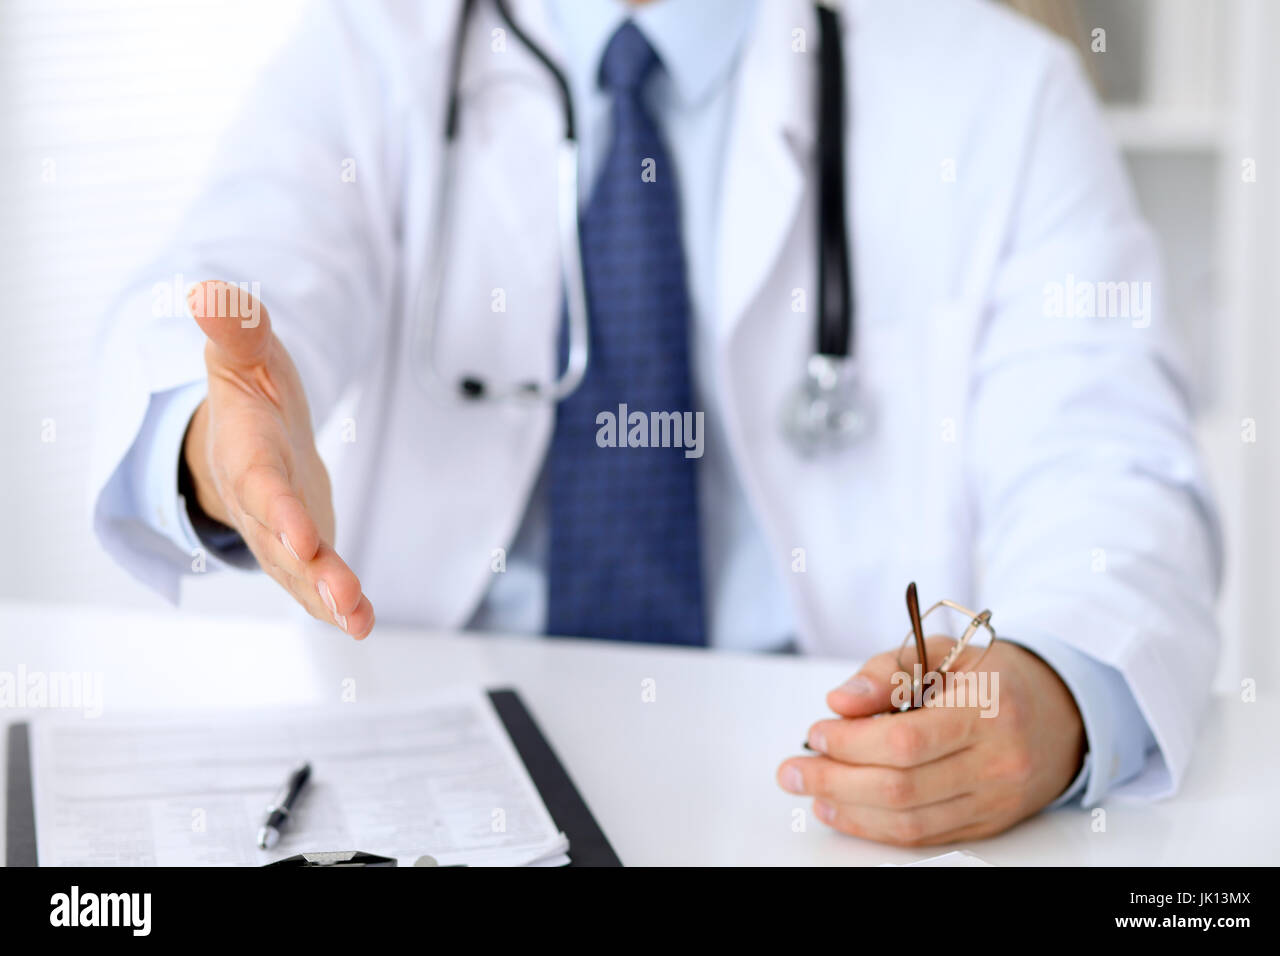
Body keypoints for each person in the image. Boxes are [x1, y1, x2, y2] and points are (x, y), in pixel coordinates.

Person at [90, 0, 1221, 846]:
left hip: (829, 779)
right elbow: (229, 283)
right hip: (439, 774)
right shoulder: (375, 49)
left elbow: (1111, 465)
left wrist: (1057, 684)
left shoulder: (998, 91)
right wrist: (211, 440)